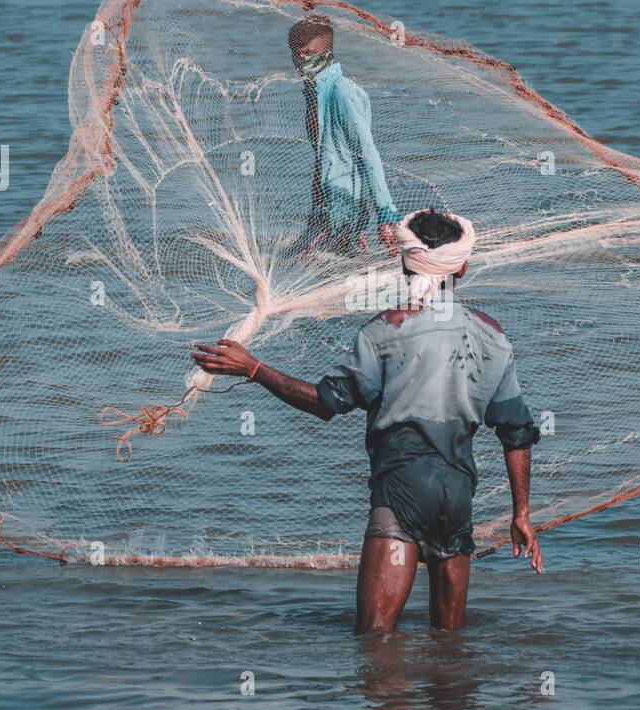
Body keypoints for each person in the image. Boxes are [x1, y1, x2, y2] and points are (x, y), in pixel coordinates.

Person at [191, 208, 543, 635]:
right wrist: (521, 514)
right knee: (451, 654)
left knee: (377, 646)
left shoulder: (384, 330)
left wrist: (253, 369)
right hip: (457, 499)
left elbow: (326, 402)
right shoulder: (493, 337)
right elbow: (515, 432)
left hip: (400, 493)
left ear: (403, 263)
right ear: (463, 266)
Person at [288, 14, 400, 257]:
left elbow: (368, 154)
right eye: (296, 54)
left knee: (296, 262)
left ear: (326, 53)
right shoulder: (314, 94)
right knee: (320, 268)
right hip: (324, 207)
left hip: (342, 204)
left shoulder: (343, 93)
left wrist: (386, 216)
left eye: (308, 53)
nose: (300, 61)